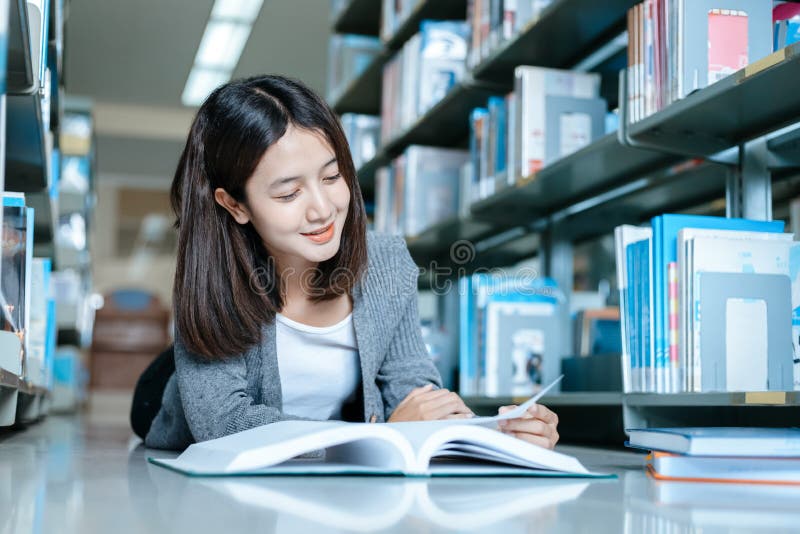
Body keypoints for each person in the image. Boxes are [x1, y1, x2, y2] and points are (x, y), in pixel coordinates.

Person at [130, 74, 559, 451]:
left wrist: (494, 432)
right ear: (235, 205)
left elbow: (413, 393)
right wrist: (378, 436)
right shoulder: (211, 283)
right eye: (288, 193)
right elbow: (221, 424)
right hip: (168, 403)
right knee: (181, 384)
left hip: (330, 439)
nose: (322, 209)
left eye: (332, 177)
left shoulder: (387, 263)